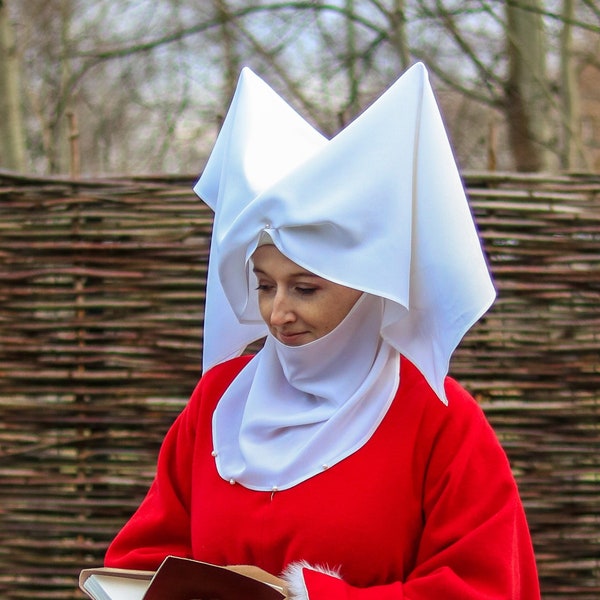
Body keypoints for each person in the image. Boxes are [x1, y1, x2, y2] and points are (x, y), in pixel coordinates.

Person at [104, 63, 541, 599]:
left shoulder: (441, 422)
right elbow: (141, 563)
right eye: (265, 286)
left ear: (367, 289)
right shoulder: (218, 402)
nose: (277, 313)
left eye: (304, 288)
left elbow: (484, 589)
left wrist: (304, 596)